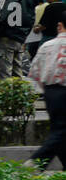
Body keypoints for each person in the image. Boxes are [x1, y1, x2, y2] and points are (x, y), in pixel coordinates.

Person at [29, 17, 66, 171]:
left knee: (59, 130)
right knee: (62, 131)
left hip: (51, 93)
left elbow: (34, 72)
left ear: (60, 25)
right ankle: (35, 162)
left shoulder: (46, 46)